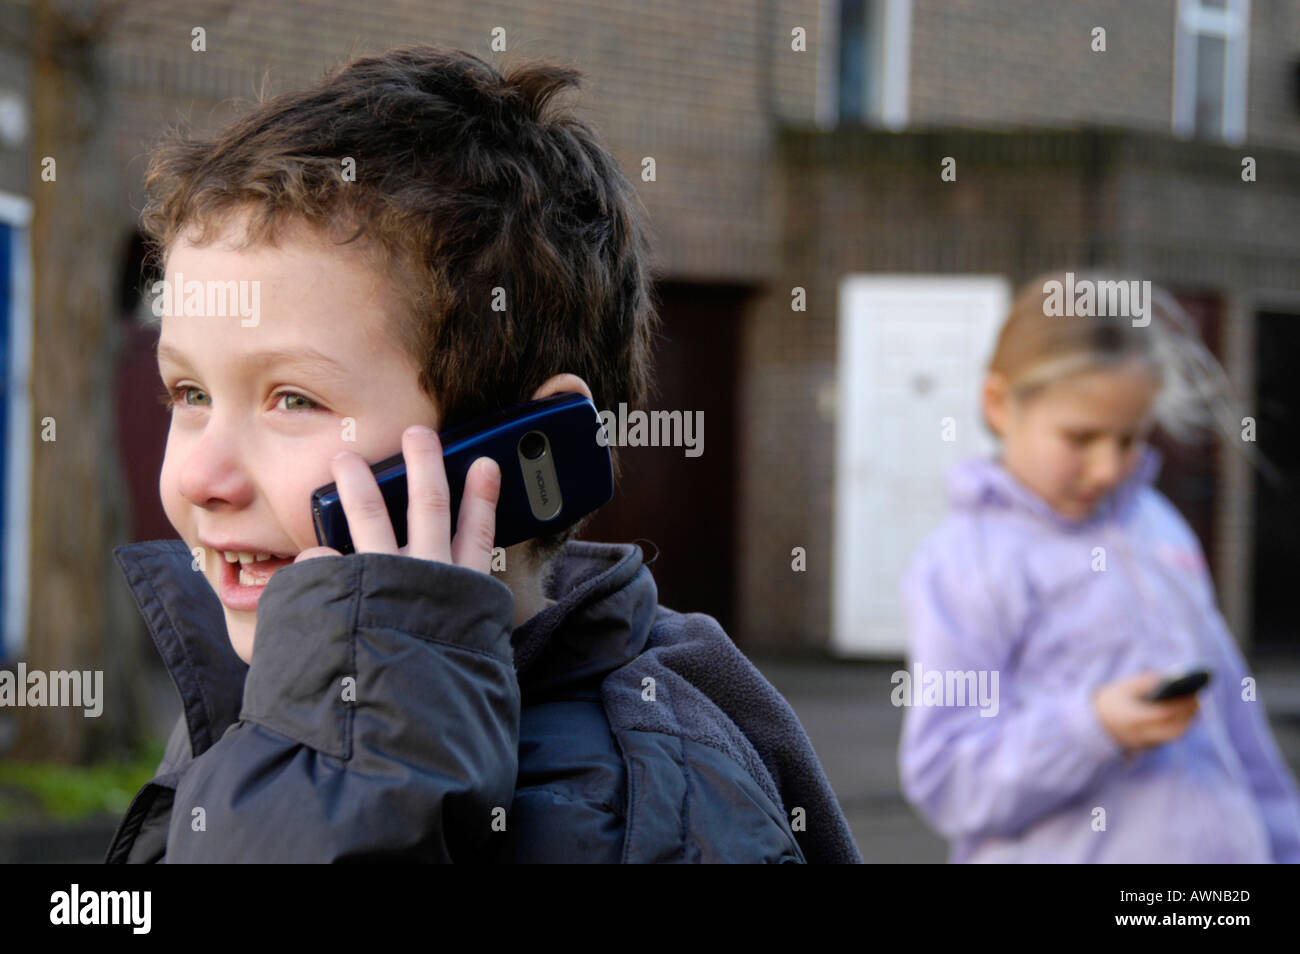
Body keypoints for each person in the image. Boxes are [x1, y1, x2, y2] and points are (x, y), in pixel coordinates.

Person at [106, 45, 860, 864]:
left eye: (295, 400)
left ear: (498, 445)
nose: (198, 478)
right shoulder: (298, 690)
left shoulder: (621, 818)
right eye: (189, 395)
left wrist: (359, 791)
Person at [898, 272, 1300, 863]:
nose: (1109, 468)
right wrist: (1092, 728)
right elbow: (948, 782)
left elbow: (1236, 725)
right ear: (997, 405)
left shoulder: (1157, 523)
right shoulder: (963, 565)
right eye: (1080, 438)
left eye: (1130, 438)